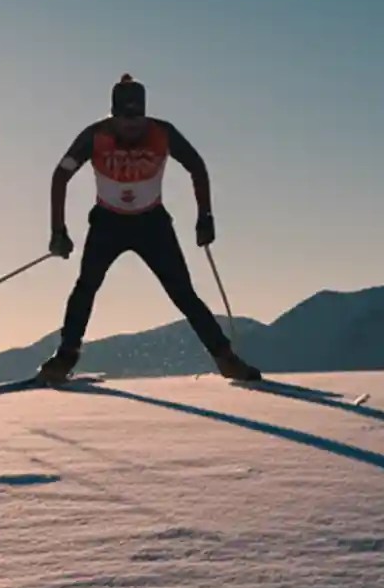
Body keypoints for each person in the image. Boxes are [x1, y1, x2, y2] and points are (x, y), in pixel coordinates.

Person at [35, 74, 262, 384]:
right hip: (108, 222)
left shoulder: (162, 133)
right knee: (85, 287)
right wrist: (57, 230)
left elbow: (196, 165)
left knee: (183, 293)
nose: (132, 127)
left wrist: (205, 216)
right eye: (125, 120)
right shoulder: (94, 135)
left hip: (151, 223)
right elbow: (60, 175)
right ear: (113, 115)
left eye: (137, 119)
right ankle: (66, 356)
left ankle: (225, 358)